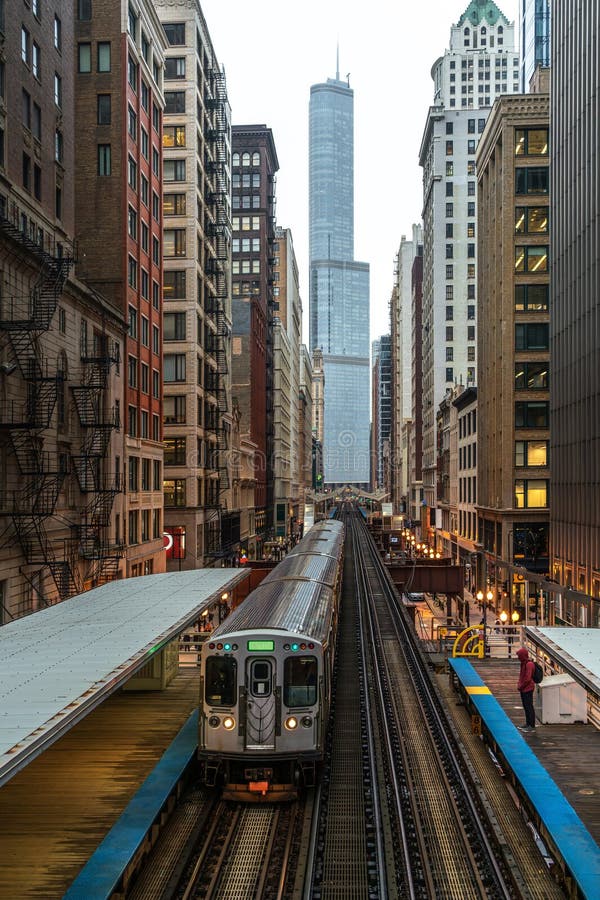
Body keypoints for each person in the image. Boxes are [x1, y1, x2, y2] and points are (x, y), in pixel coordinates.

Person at [516, 647, 536, 732]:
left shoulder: (529, 664)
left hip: (528, 688)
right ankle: (528, 723)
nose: (518, 657)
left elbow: (527, 678)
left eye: (519, 656)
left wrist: (521, 686)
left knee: (529, 706)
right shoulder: (523, 663)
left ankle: (531, 725)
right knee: (526, 706)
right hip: (523, 688)